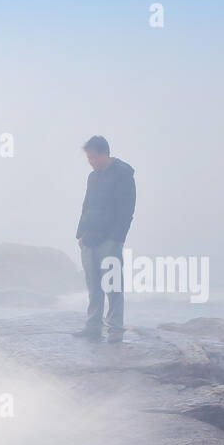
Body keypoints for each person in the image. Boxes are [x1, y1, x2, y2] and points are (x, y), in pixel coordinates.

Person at [74, 136, 136, 344]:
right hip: (89, 238)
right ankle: (93, 326)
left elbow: (126, 211)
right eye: (88, 158)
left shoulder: (123, 174)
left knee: (112, 284)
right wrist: (80, 233)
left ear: (103, 153)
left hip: (110, 239)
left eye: (92, 157)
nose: (90, 161)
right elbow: (86, 205)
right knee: (93, 285)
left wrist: (116, 238)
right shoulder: (93, 177)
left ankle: (116, 329)